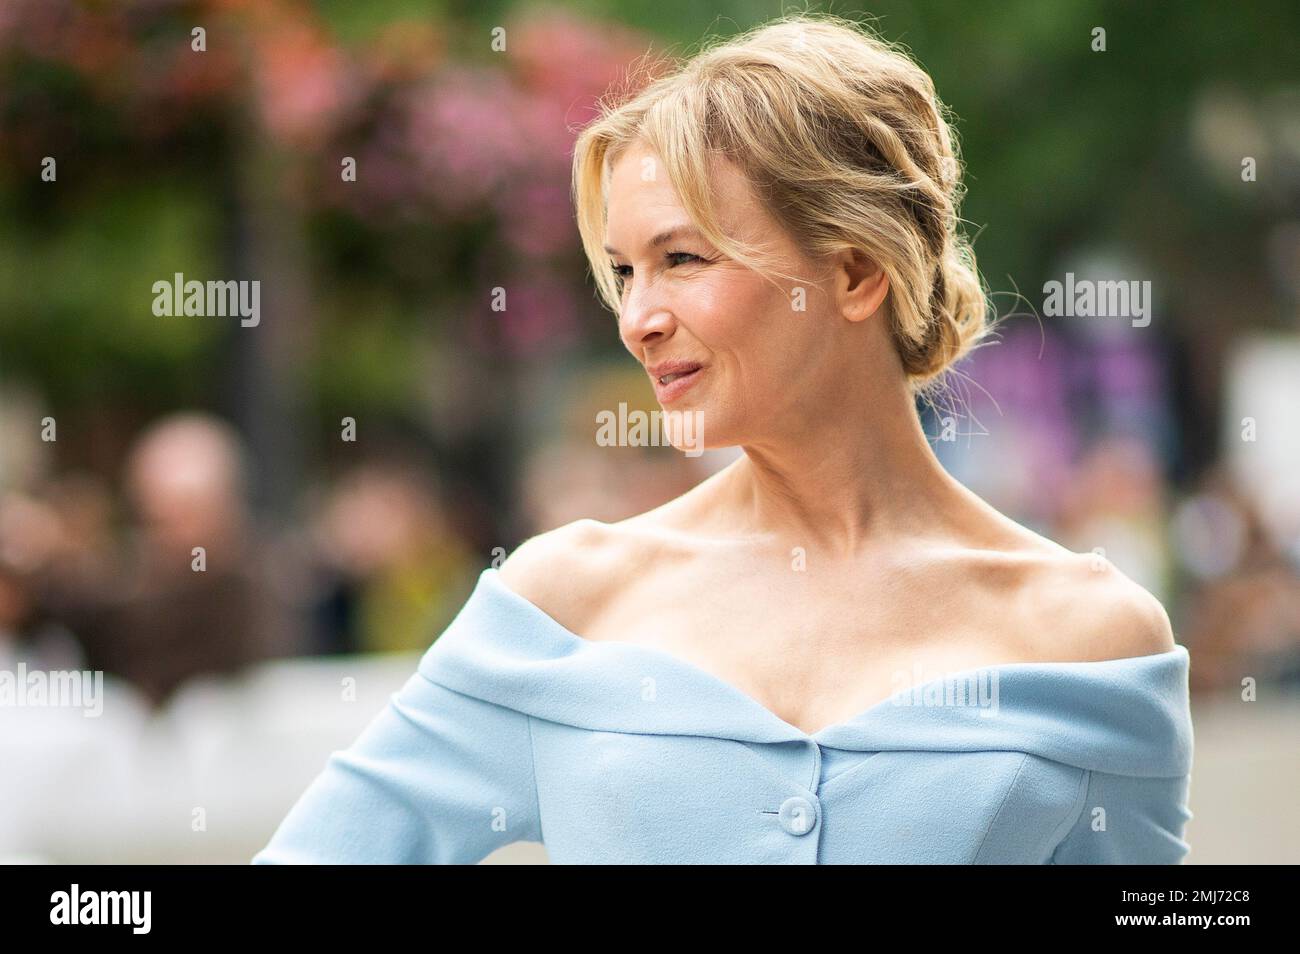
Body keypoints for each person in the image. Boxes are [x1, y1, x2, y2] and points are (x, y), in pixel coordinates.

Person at [253, 13, 1193, 864]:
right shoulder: (566, 604)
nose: (637, 319)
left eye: (682, 260)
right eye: (625, 272)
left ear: (858, 272)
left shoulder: (1090, 637)